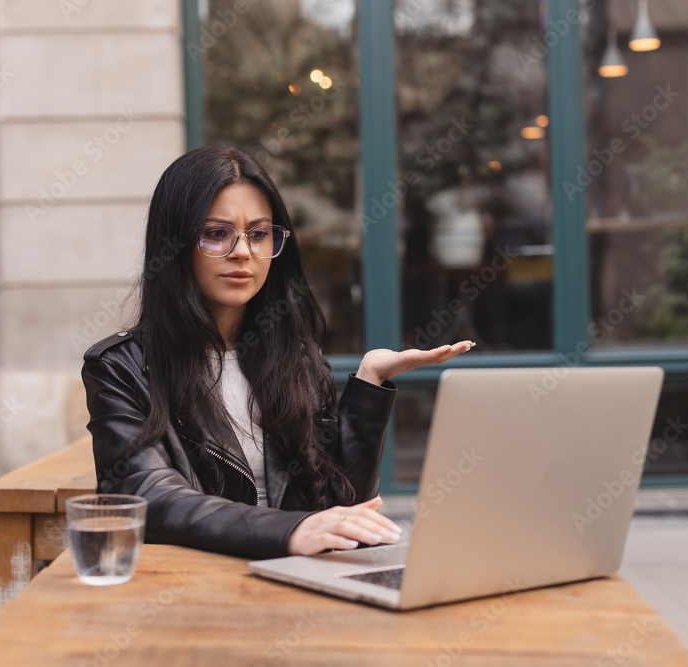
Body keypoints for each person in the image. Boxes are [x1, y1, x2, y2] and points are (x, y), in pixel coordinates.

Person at [81, 145, 473, 560]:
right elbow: (148, 497)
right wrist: (290, 531)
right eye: (216, 233)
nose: (243, 252)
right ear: (175, 245)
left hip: (297, 583)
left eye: (259, 233)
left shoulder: (296, 359)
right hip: (198, 590)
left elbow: (340, 508)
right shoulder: (122, 368)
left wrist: (369, 387)